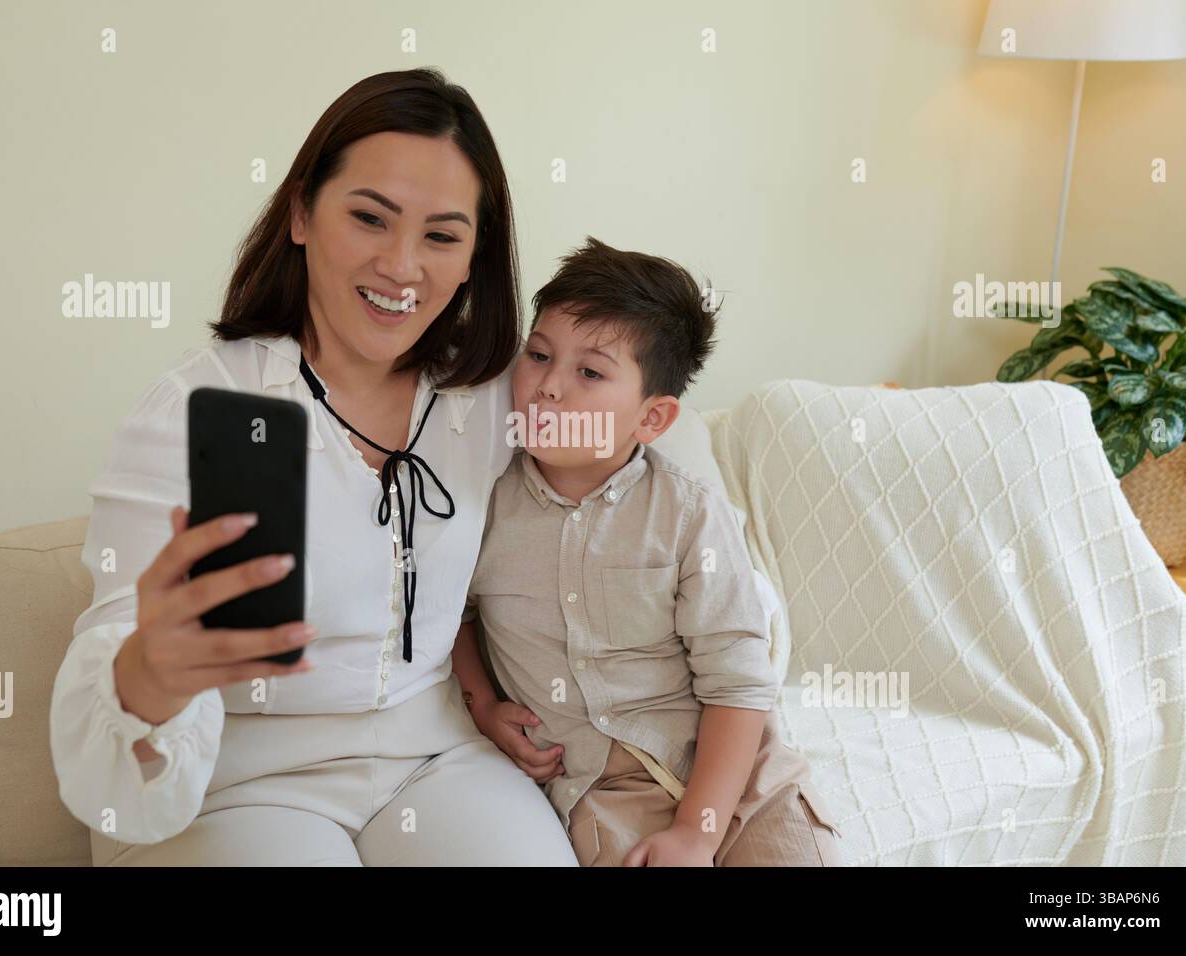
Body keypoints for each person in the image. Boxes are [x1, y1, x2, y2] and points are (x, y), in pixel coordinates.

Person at [49, 68, 577, 866]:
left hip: (432, 756)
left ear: (474, 257)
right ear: (301, 213)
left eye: (441, 235)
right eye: (370, 218)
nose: (403, 267)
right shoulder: (200, 405)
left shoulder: (491, 399)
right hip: (233, 774)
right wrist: (144, 681)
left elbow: (646, 470)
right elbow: (120, 637)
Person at [454, 237, 843, 866]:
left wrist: (698, 832)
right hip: (603, 789)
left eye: (590, 372)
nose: (548, 387)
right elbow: (453, 615)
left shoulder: (689, 514)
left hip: (738, 779)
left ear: (653, 418)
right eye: (539, 355)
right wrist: (482, 704)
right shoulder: (483, 505)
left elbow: (737, 683)